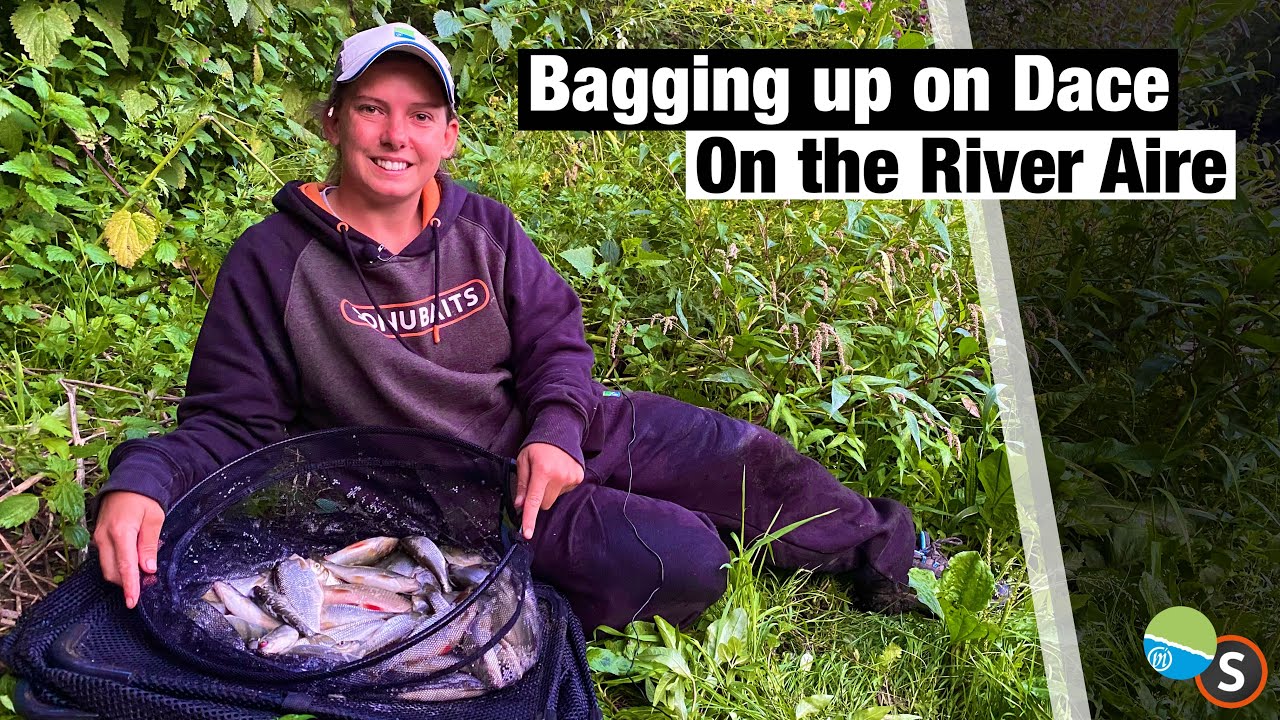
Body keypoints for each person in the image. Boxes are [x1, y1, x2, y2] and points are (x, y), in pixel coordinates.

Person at [92, 23, 940, 632]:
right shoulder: (270, 261)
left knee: (744, 454)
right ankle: (540, 572)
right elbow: (230, 424)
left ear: (449, 136)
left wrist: (561, 431)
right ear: (332, 120)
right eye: (372, 110)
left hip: (557, 432)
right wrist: (143, 479)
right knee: (682, 561)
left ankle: (895, 561)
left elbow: (555, 347)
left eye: (422, 114)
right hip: (448, 491)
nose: (396, 134)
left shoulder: (485, 228)